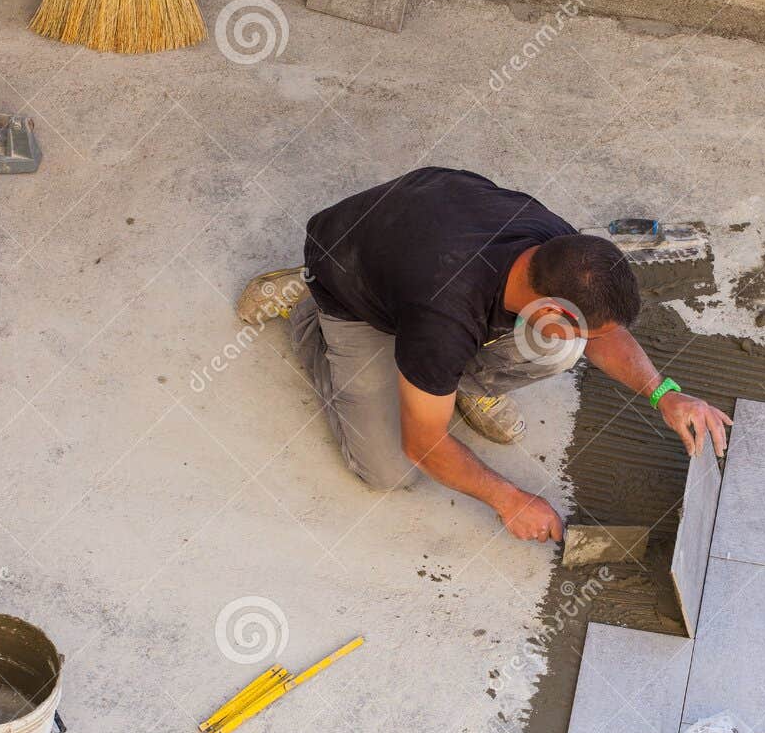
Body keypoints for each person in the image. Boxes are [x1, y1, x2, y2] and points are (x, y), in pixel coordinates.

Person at [237, 167, 731, 542]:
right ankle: (306, 307)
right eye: (584, 327)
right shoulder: (443, 316)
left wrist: (664, 393)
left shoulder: (560, 250)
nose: (594, 338)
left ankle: (451, 385)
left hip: (417, 238)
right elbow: (423, 445)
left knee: (563, 347)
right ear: (552, 308)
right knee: (389, 470)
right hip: (349, 275)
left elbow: (600, 332)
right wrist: (508, 499)